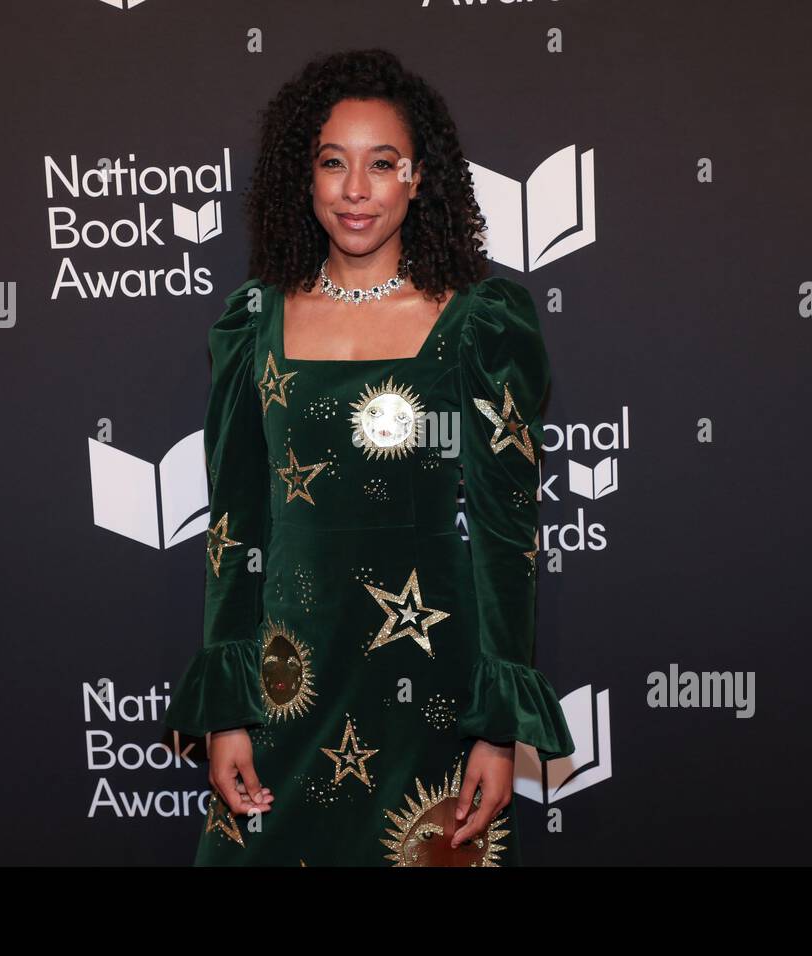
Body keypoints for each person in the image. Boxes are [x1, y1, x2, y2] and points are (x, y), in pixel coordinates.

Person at [163, 48, 575, 866]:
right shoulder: (255, 323)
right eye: (333, 163)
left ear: (419, 179)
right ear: (303, 177)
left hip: (433, 693)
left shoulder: (479, 325)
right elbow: (234, 529)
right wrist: (229, 708)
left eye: (382, 164)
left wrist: (496, 728)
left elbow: (505, 536)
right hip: (287, 682)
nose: (356, 189)